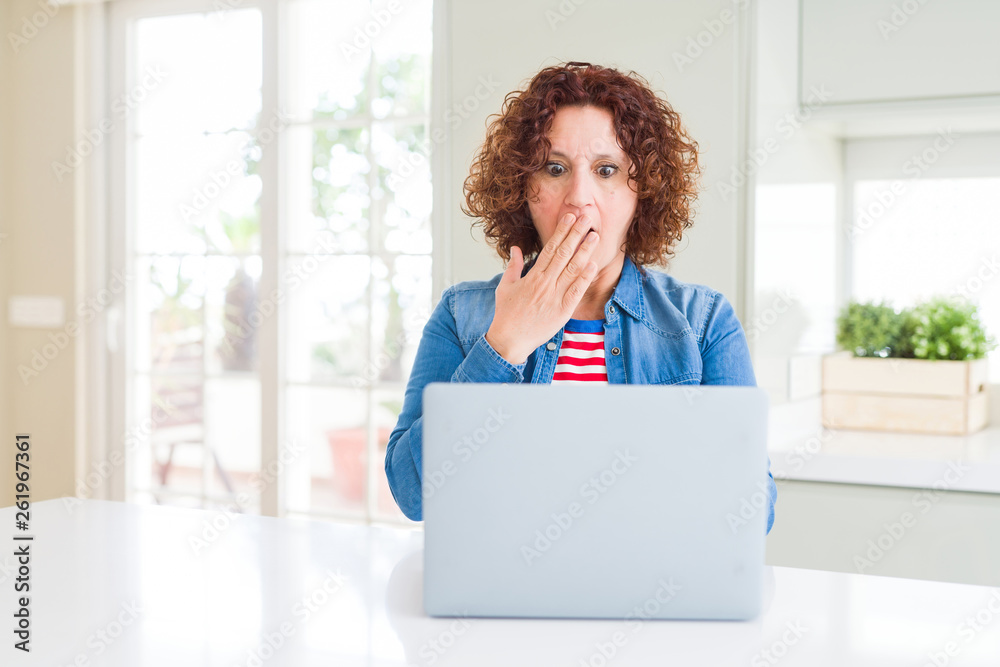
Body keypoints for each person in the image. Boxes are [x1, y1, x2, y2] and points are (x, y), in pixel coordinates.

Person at [384, 61, 776, 533]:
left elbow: (755, 514)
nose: (579, 197)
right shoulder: (461, 315)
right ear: (523, 188)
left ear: (642, 192)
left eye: (607, 170)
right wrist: (502, 346)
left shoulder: (705, 321)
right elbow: (411, 493)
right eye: (555, 168)